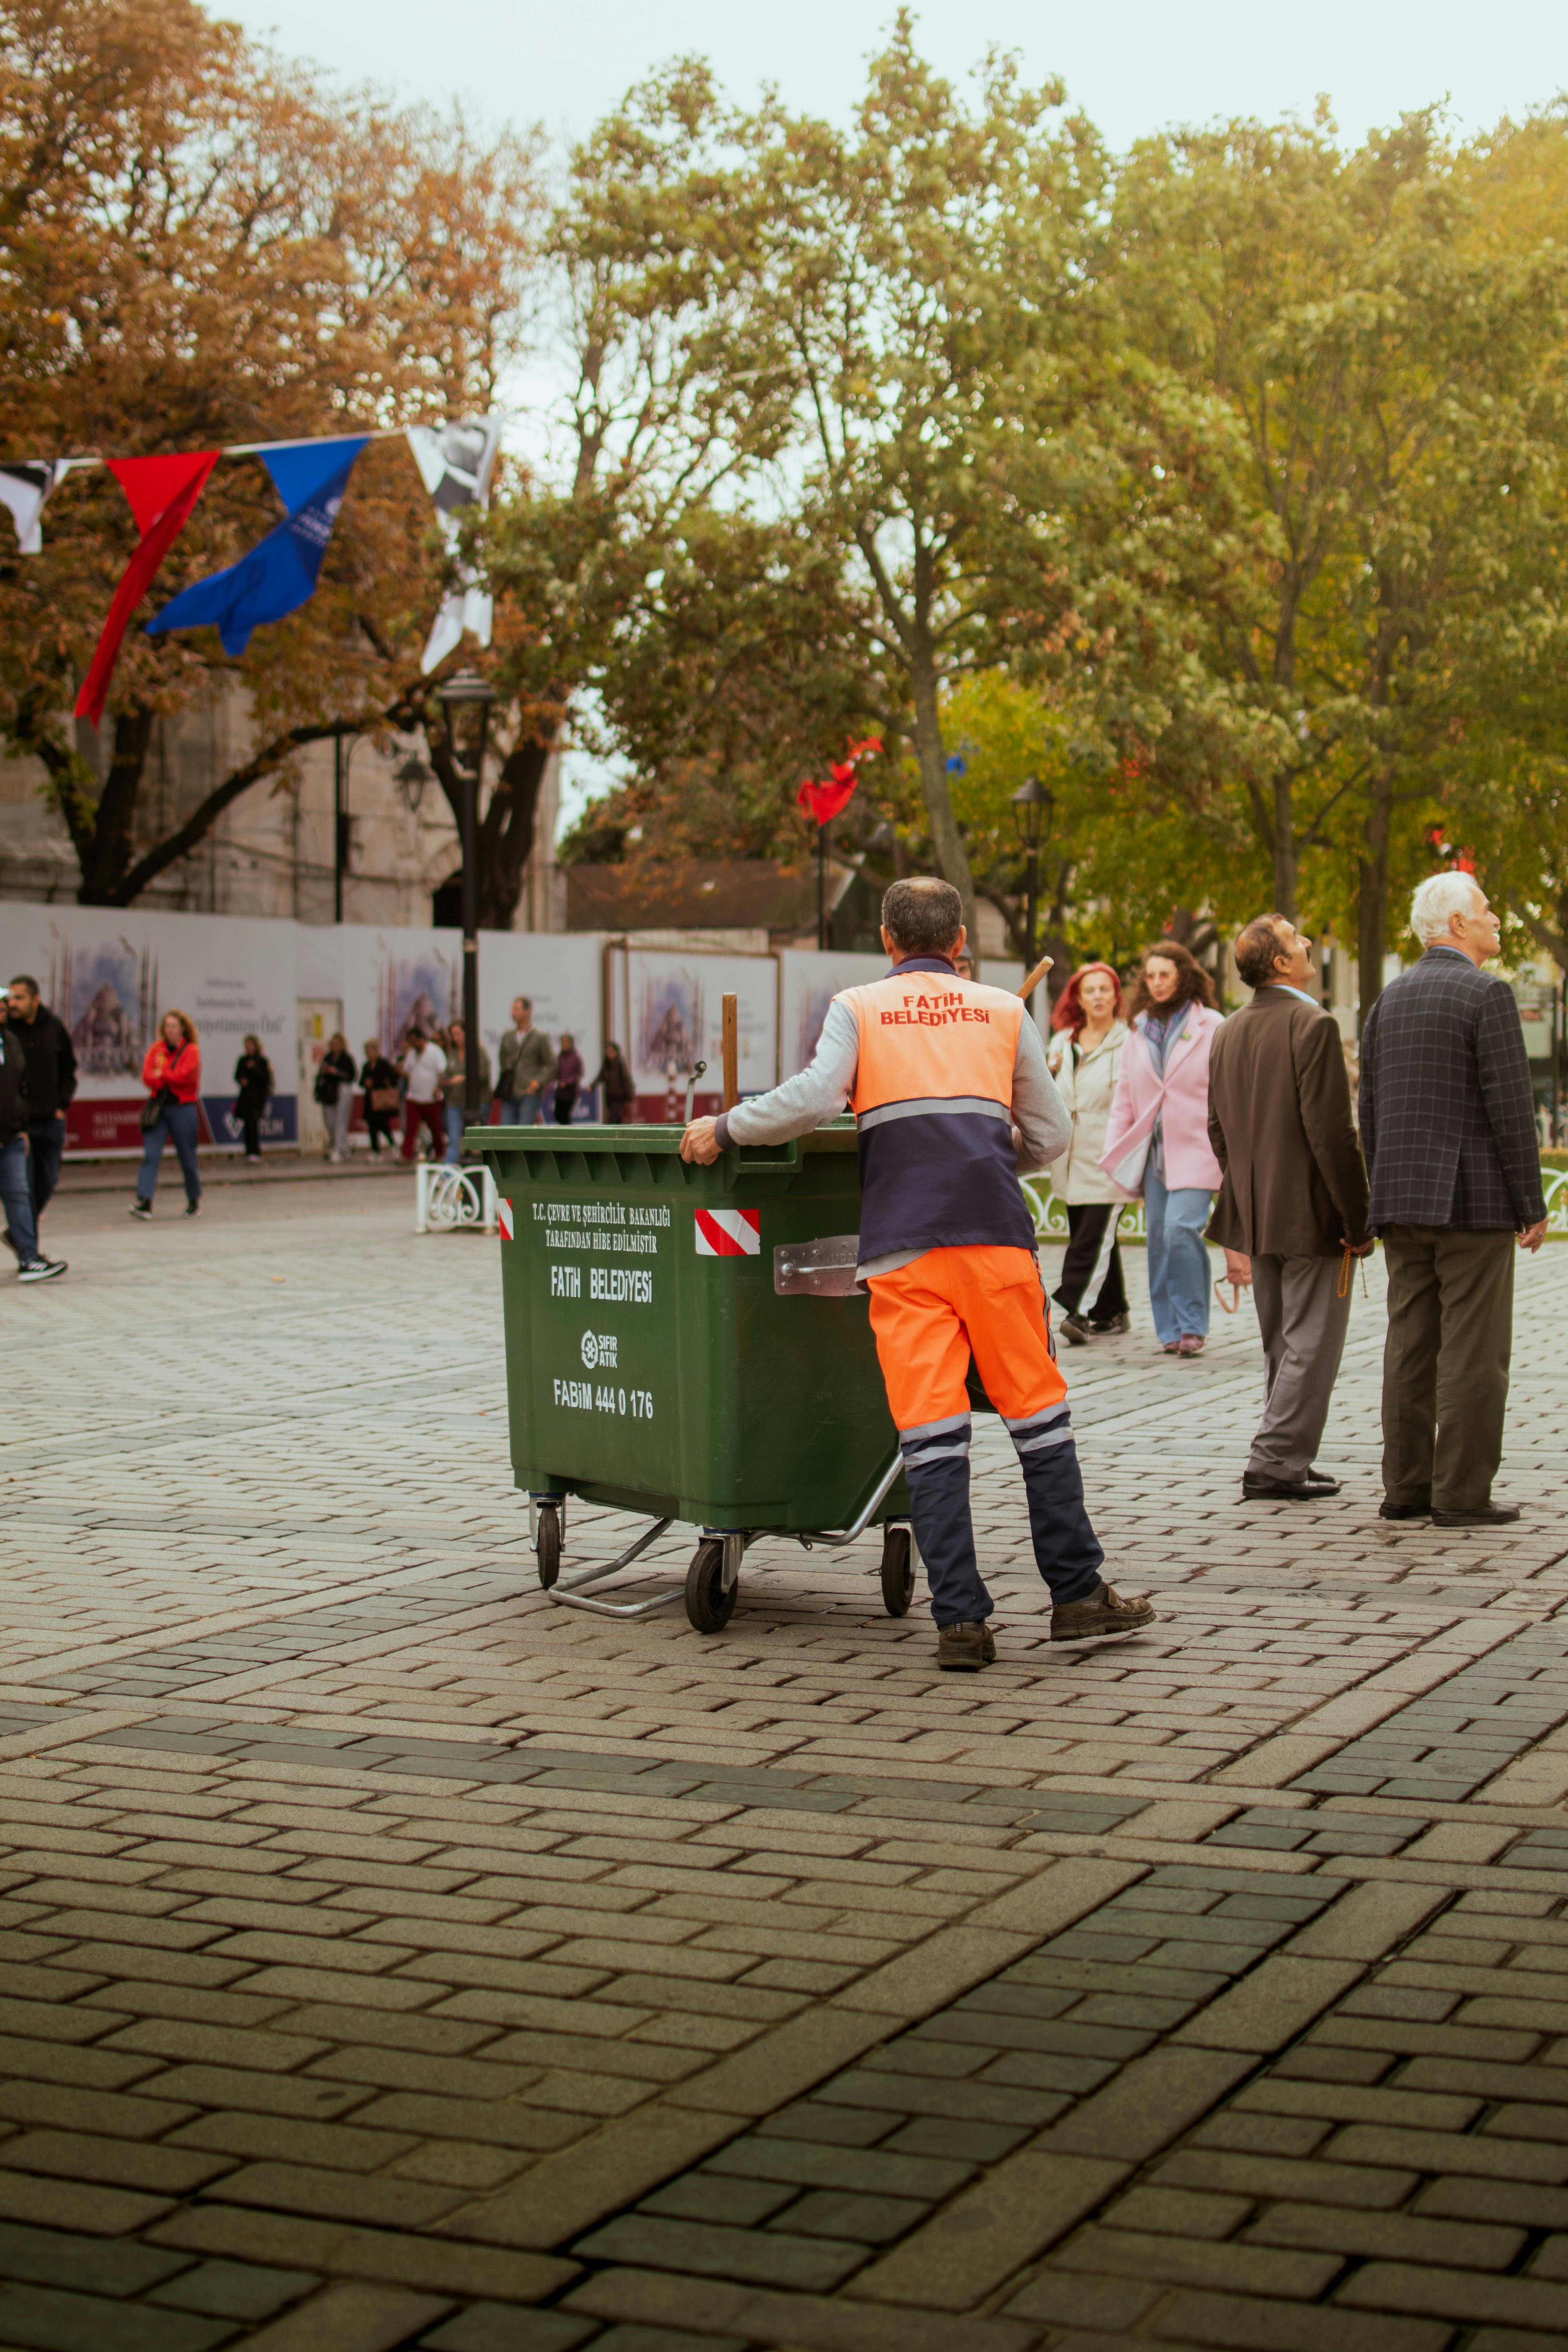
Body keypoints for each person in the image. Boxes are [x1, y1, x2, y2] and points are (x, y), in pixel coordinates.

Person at [681, 876, 1154, 1671]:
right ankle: (1075, 1596)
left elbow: (810, 1100)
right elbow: (1051, 1131)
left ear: (887, 939)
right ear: (961, 939)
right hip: (994, 1242)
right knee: (1037, 1418)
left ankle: (961, 1624)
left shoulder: (858, 1007)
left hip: (901, 1248)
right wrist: (987, 1158)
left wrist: (722, 1129)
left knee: (932, 1435)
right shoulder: (1003, 1009)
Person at [1360, 873, 1547, 1527]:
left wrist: (1377, 1193)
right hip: (1474, 1204)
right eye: (1489, 911)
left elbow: (1370, 1108)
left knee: (1410, 1347)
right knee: (1475, 1351)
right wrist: (1534, 1203)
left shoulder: (1389, 999)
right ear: (1459, 924)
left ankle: (1405, 1488)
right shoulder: (1487, 993)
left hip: (1401, 1199)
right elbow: (1510, 1109)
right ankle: (1462, 1495)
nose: (1497, 919)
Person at [1206, 915, 1372, 1501]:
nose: (1307, 943)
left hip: (1254, 1208)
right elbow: (1333, 1135)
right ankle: (1275, 1461)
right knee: (1312, 1341)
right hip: (1310, 1210)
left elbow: (1217, 1129)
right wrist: (1359, 1220)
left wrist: (1248, 1185)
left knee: (1282, 1339)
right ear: (1280, 963)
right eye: (1297, 938)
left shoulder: (1227, 1030)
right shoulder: (1313, 1023)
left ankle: (1289, 1456)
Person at [1102, 942, 1224, 1357]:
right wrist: (1115, 1153)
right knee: (1157, 1237)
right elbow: (1125, 1096)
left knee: (1180, 1229)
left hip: (1198, 1147)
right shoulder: (1136, 1030)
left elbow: (1225, 1091)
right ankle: (1169, 1328)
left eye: (1164, 975)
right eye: (1150, 976)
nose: (1155, 983)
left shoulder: (1212, 1025)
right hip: (1152, 1153)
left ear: (1184, 976)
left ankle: (1193, 1323)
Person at [1046, 963, 1131, 1343]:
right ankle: (1111, 1309)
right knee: (1090, 1234)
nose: (1097, 996)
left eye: (1104, 989)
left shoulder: (1130, 1043)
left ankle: (1072, 1308)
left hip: (1110, 1155)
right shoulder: (1061, 1042)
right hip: (1068, 1155)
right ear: (1077, 999)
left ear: (1116, 996)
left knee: (1091, 1239)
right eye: (1089, 990)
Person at [7, 974, 76, 1238]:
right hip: (20, 1124)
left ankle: (20, 1235)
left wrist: (61, 1106)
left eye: (20, 998)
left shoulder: (54, 1027)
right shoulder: (8, 1031)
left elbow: (69, 1068)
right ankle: (30, 1252)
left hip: (50, 1120)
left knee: (47, 1182)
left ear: (36, 1000)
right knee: (24, 1187)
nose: (13, 1003)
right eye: (11, 997)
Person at [0, 1013, 66, 1280]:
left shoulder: (10, 1040)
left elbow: (20, 1087)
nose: (4, 1008)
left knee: (20, 1196)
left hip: (11, 1136)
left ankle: (29, 1259)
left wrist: (22, 1127)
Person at [131, 1010, 202, 1219]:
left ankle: (193, 1199)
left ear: (182, 1028)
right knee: (151, 1154)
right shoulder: (157, 1049)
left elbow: (185, 1078)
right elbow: (147, 1077)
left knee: (187, 1156)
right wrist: (164, 1077)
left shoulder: (192, 1051)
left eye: (174, 1026)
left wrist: (162, 1074)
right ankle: (145, 1201)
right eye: (167, 1026)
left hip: (183, 1108)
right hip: (159, 1108)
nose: (170, 1030)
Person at [440, 1019, 492, 1162]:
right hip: (456, 1101)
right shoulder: (452, 1053)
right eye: (453, 1035)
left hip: (477, 1102)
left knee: (479, 1141)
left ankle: (485, 1173)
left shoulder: (477, 1051)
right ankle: (448, 1175)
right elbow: (448, 1073)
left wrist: (463, 1079)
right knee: (454, 1138)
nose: (456, 1038)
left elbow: (483, 1076)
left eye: (458, 1034)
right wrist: (445, 1081)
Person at [497, 998, 554, 1123]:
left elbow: (552, 1064)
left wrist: (538, 1082)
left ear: (527, 1011)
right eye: (513, 1009)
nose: (513, 1013)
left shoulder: (540, 1036)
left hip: (529, 1092)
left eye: (517, 1009)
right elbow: (503, 1059)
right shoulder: (508, 1036)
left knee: (523, 1131)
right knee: (506, 1131)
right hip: (509, 1091)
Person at [399, 1025, 447, 1161]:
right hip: (414, 1097)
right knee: (411, 1127)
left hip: (431, 1098)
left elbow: (442, 1072)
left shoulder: (435, 1052)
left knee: (436, 1128)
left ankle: (440, 1153)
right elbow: (407, 1072)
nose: (413, 1045)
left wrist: (438, 1088)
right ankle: (407, 1154)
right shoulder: (411, 1054)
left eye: (415, 1041)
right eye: (411, 1042)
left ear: (421, 1040)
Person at [314, 1031, 356, 1162]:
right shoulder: (328, 1058)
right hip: (329, 1093)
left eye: (338, 1044)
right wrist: (317, 1090)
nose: (335, 1047)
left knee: (340, 1122)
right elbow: (320, 1077)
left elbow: (352, 1076)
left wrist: (336, 1072)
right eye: (333, 1044)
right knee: (330, 1123)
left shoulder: (347, 1059)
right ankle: (346, 1144)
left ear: (343, 1045)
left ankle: (338, 1151)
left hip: (343, 1092)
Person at [232, 1034, 272, 1163]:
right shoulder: (243, 1060)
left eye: (251, 1045)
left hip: (257, 1097)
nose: (249, 1048)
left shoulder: (262, 1061)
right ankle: (248, 1150)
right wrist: (241, 1080)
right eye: (247, 1045)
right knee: (247, 1124)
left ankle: (255, 1150)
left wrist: (254, 1068)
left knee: (254, 1123)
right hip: (246, 1096)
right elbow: (237, 1075)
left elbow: (264, 1078)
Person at [360, 1038, 401, 1158]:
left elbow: (393, 1078)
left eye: (371, 1051)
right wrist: (366, 1082)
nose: (369, 1054)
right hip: (370, 1099)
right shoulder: (366, 1066)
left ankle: (393, 1144)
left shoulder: (384, 1064)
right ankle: (376, 1151)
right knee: (372, 1126)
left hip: (382, 1099)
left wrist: (376, 1082)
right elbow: (361, 1081)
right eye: (367, 1052)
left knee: (383, 1125)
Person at [591, 1042, 634, 1125]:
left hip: (619, 1096)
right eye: (607, 1052)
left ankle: (611, 1136)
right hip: (610, 1096)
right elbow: (601, 1076)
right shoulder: (606, 1065)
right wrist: (592, 1086)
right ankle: (620, 1136)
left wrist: (629, 1097)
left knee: (612, 1119)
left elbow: (626, 1080)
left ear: (616, 1052)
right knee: (617, 1119)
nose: (609, 1054)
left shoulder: (620, 1064)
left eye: (611, 1052)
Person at [554, 1034, 584, 1126]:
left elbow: (579, 1073)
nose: (564, 1045)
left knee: (565, 1114)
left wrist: (567, 1082)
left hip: (571, 1091)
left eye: (566, 1042)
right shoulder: (559, 1057)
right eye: (562, 1043)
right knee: (558, 1113)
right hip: (560, 1091)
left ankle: (570, 1133)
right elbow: (556, 1072)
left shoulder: (575, 1057)